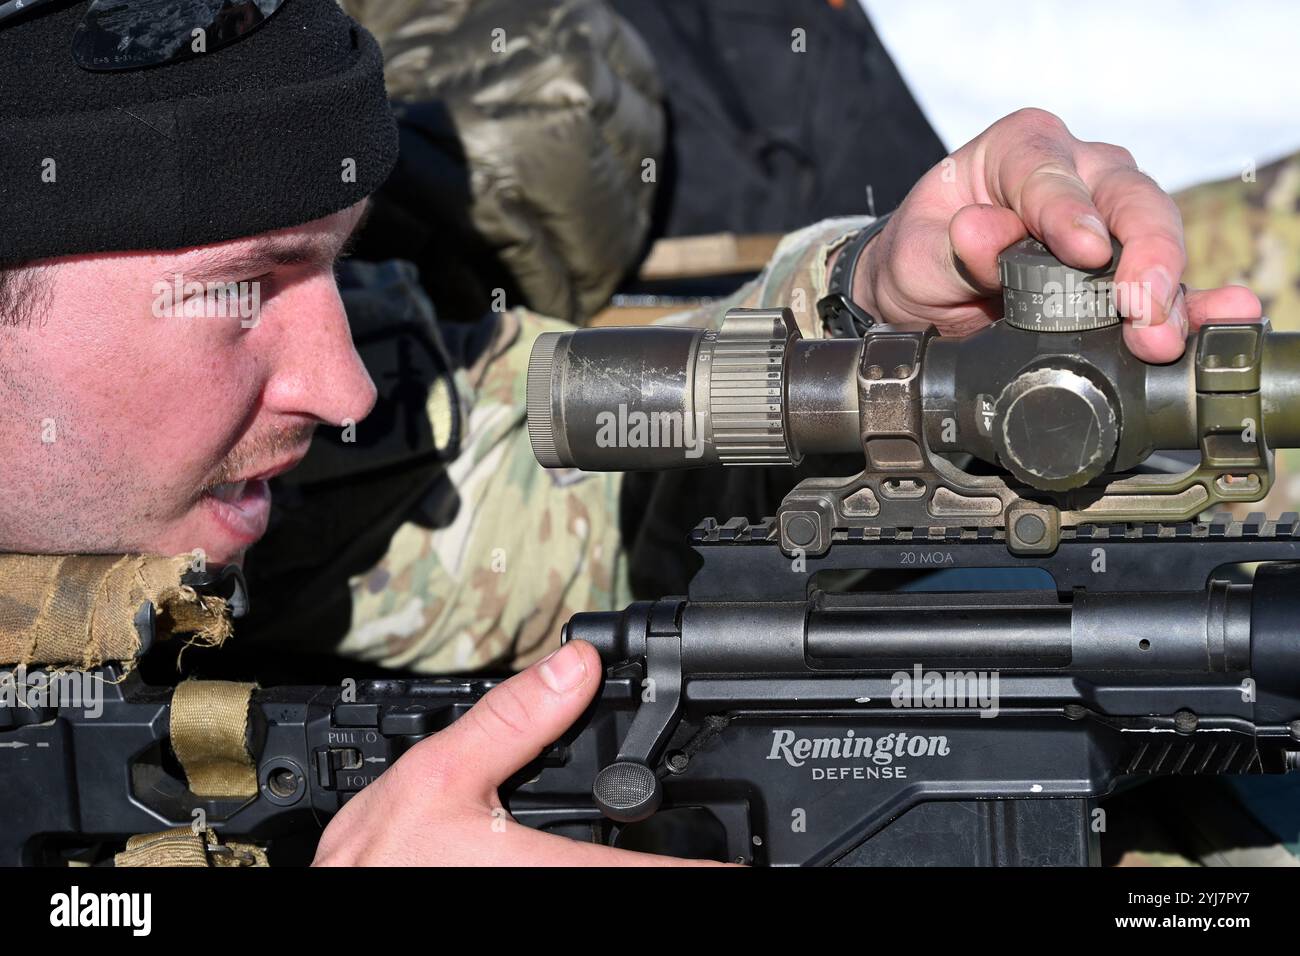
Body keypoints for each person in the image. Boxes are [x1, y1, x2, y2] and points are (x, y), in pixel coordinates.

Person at [0, 0, 1261, 864]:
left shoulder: (242, 459)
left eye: (336, 262)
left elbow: (540, 500)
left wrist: (862, 321)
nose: (337, 384)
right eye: (243, 290)